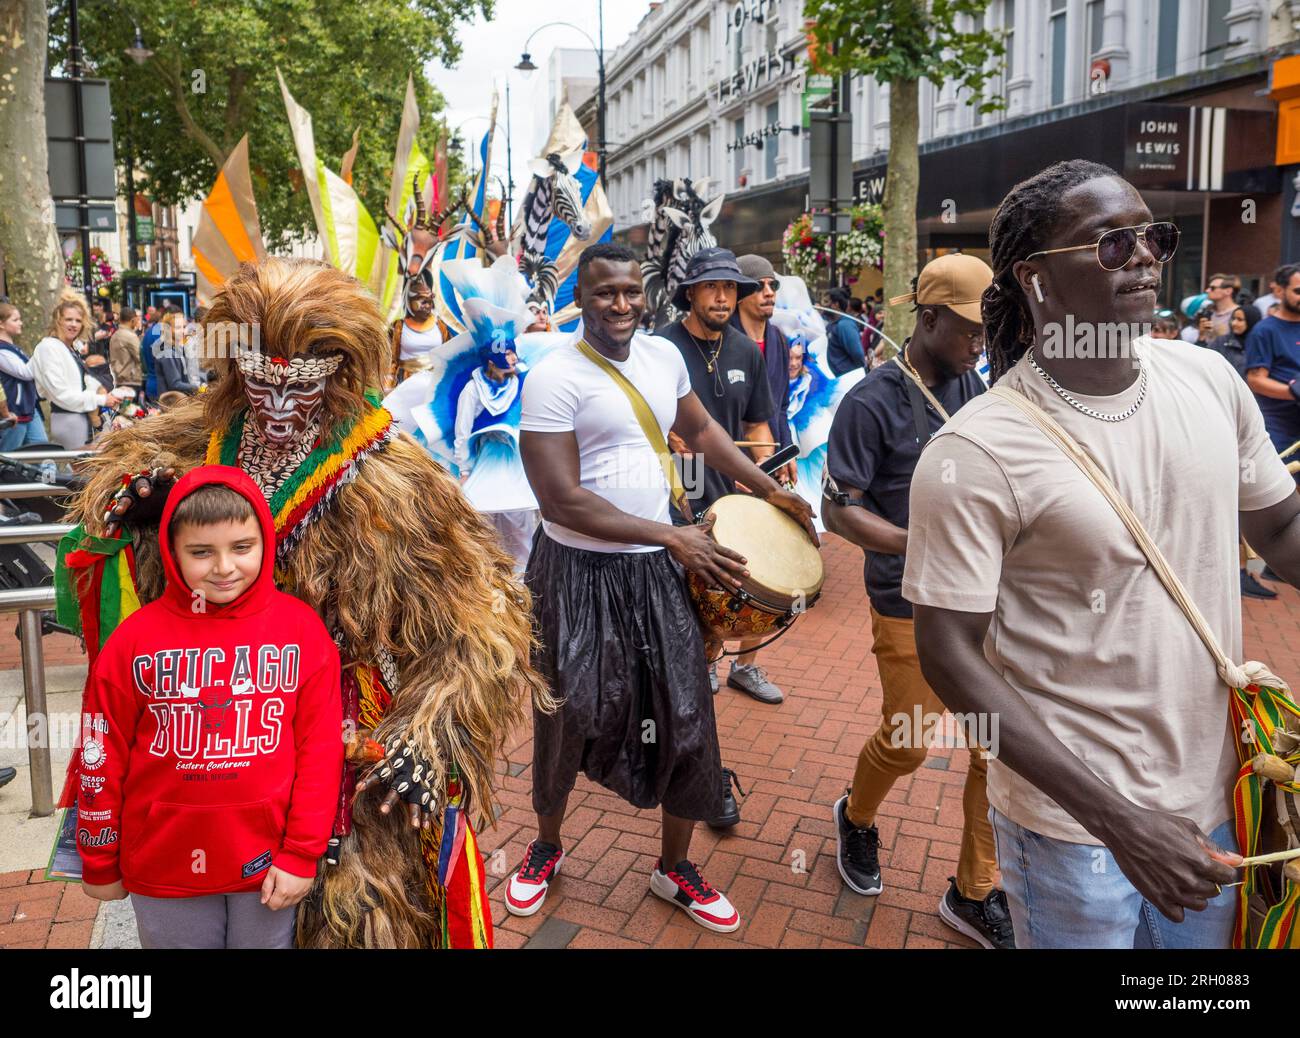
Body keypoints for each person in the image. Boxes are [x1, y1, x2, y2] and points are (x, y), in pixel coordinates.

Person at [65, 257, 545, 949]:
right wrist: (140, 522)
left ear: (339, 375)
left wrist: (423, 733)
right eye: (265, 385)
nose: (283, 412)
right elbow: (102, 569)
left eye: (305, 388)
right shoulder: (183, 446)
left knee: (356, 917)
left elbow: (481, 624)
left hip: (342, 740)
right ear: (238, 371)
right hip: (207, 739)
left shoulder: (393, 474)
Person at [905, 159, 1300, 949]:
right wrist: (1119, 821)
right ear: (1035, 278)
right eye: (1111, 245)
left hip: (1220, 795)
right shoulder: (977, 450)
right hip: (1070, 830)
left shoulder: (1210, 379)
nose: (1146, 255)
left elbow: (1282, 534)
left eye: (1151, 236)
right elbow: (949, 659)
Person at [509, 242, 816, 931]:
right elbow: (559, 500)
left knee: (687, 713)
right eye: (603, 295)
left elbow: (703, 430)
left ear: (642, 293)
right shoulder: (553, 377)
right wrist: (673, 535)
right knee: (566, 713)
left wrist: (771, 489)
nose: (619, 305)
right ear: (580, 300)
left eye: (628, 292)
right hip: (573, 572)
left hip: (653, 569)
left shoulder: (661, 358)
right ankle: (546, 846)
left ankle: (673, 868)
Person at [822, 253, 1012, 949]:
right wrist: (920, 546)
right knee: (908, 742)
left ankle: (973, 892)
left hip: (986, 601)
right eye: (968, 329)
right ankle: (856, 816)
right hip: (908, 600)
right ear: (927, 318)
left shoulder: (980, 388)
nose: (979, 343)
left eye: (986, 330)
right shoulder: (870, 401)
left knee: (995, 751)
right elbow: (839, 509)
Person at [77, 466, 344, 948]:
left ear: (264, 542)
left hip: (265, 865)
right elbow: (101, 752)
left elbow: (321, 751)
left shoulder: (301, 631)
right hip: (163, 863)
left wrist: (302, 854)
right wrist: (98, 857)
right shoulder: (135, 640)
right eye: (202, 552)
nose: (223, 567)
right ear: (172, 552)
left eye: (241, 547)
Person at [657, 248, 784, 707]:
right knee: (690, 577)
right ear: (691, 293)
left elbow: (757, 425)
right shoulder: (660, 346)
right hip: (680, 482)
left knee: (755, 574)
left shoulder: (746, 350)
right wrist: (665, 434)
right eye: (712, 286)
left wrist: (764, 473)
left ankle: (744, 667)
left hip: (733, 484)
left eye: (730, 287)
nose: (723, 297)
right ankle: (702, 659)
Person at [31, 297, 118, 448]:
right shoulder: (49, 347)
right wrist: (101, 399)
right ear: (58, 321)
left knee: (85, 470)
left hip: (81, 418)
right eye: (68, 319)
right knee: (78, 469)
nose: (73, 324)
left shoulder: (70, 348)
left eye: (78, 320)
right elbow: (61, 394)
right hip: (68, 420)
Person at [1245, 263, 1300, 456]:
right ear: (1280, 291)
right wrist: (1293, 392)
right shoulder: (1265, 330)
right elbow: (1256, 380)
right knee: (1285, 484)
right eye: (1297, 291)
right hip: (1279, 426)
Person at [0, 303, 50, 451]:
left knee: (45, 453)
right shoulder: (1, 350)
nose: (20, 323)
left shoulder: (14, 348)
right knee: (9, 458)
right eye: (15, 320)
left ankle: (48, 474)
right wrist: (43, 349)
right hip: (14, 413)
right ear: (1, 324)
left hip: (29, 409)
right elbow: (26, 372)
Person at [156, 308, 200, 395]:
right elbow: (174, 384)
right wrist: (197, 388)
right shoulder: (167, 352)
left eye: (184, 327)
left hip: (175, 401)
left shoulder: (176, 348)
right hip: (170, 402)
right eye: (177, 328)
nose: (183, 331)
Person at [826, 287, 867, 375]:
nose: (822, 305)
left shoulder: (845, 325)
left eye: (826, 302)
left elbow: (857, 354)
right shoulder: (833, 324)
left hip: (847, 378)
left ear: (835, 304)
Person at [109, 307, 145, 402]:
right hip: (132, 381)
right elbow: (140, 357)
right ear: (132, 320)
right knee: (135, 413)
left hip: (120, 379)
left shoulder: (115, 335)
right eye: (137, 319)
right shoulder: (130, 336)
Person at [1204, 273, 1241, 340]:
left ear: (1228, 291)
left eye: (1212, 288)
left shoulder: (1240, 313)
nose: (1207, 291)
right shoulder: (1208, 312)